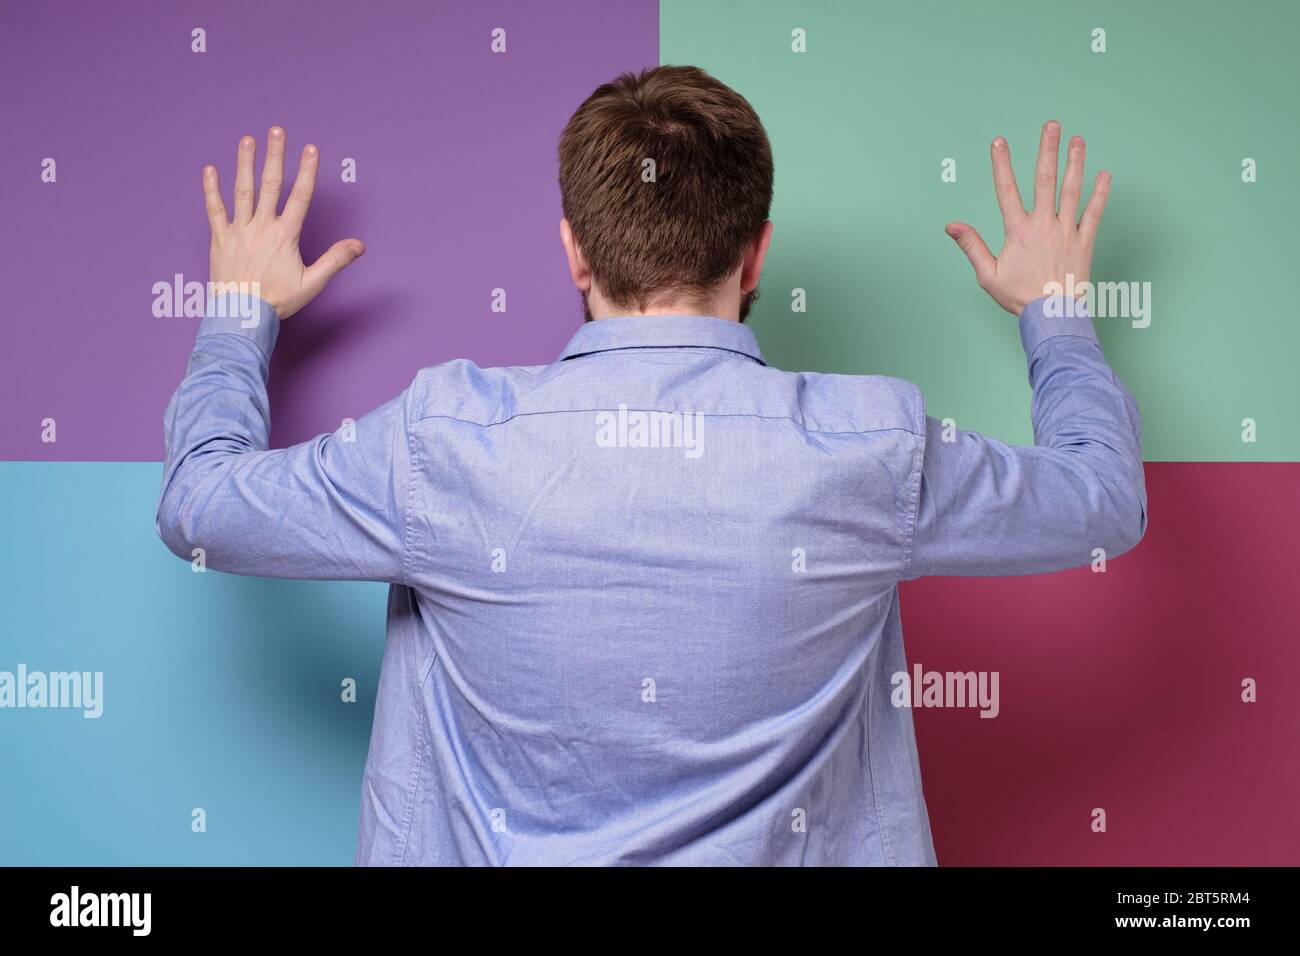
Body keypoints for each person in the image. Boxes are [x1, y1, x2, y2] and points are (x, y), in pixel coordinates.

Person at [157, 66, 1146, 865]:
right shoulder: (869, 448)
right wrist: (1052, 310)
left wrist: (240, 309)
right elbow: (1102, 498)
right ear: (756, 256)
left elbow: (199, 503)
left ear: (575, 252)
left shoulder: (444, 440)